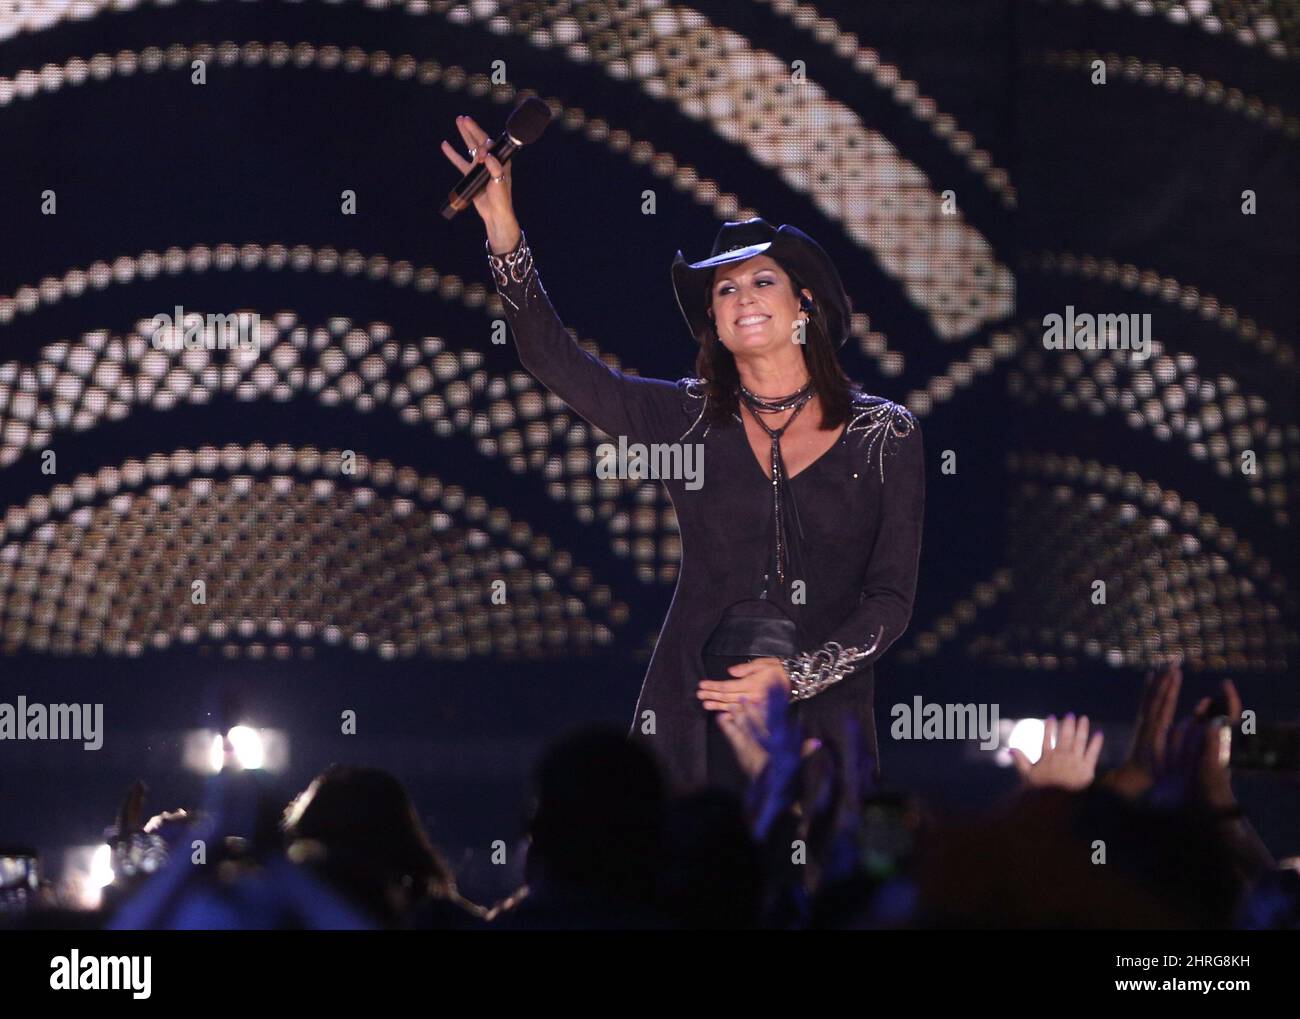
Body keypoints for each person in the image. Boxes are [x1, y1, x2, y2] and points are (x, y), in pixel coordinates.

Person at [441, 114, 925, 796]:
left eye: (761, 281)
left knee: (814, 888)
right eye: (723, 290)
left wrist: (796, 674)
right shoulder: (689, 417)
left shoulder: (885, 434)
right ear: (715, 325)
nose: (740, 298)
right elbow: (555, 361)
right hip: (691, 717)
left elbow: (890, 600)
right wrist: (504, 231)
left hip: (822, 719)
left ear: (804, 305)